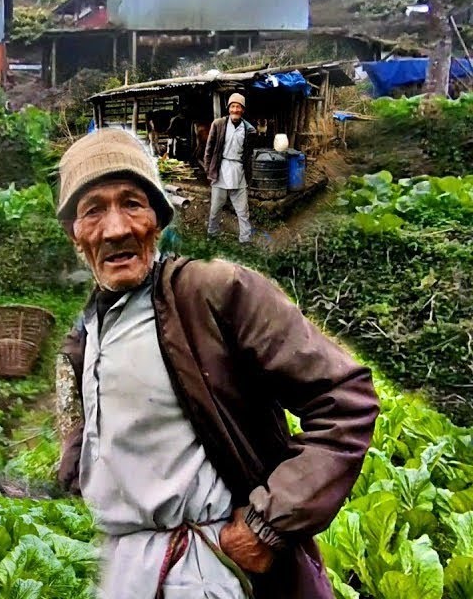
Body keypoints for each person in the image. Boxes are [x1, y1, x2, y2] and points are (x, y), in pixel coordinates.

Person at [53, 128, 378, 599]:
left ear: (158, 220)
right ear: (74, 234)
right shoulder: (89, 329)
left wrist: (266, 525)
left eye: (133, 203)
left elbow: (345, 399)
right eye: (93, 210)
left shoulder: (214, 292)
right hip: (121, 573)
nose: (117, 228)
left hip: (205, 569)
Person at [205, 92, 258, 243]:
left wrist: (249, 174)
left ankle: (245, 239)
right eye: (233, 106)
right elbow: (209, 149)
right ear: (228, 108)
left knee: (243, 210)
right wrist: (209, 170)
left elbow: (248, 155)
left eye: (238, 107)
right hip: (220, 170)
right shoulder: (218, 124)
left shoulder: (249, 130)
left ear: (243, 110)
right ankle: (212, 234)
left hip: (238, 171)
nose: (235, 110)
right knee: (215, 208)